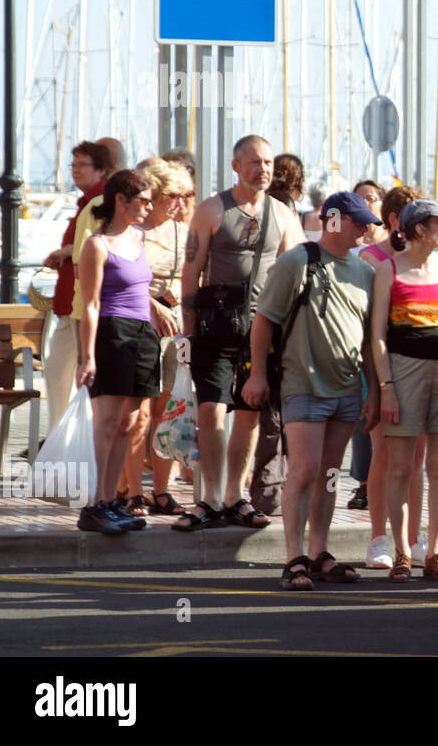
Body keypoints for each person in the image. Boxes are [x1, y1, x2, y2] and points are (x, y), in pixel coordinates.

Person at [243, 191, 381, 590]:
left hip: (347, 389)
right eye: (359, 221)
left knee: (331, 473)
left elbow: (370, 342)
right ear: (334, 221)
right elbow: (263, 320)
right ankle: (293, 557)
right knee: (303, 470)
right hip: (302, 384)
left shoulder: (365, 272)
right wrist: (257, 375)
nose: (366, 228)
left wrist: (373, 392)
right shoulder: (296, 261)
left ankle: (320, 552)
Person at [175, 134, 303, 531]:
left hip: (261, 329)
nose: (263, 169)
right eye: (254, 163)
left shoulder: (282, 214)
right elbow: (191, 273)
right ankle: (210, 497)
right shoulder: (212, 210)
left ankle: (236, 495)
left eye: (267, 163)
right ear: (236, 166)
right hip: (215, 327)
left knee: (248, 415)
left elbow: (296, 272)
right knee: (211, 410)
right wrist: (190, 333)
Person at [371, 198, 438, 583]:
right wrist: (386, 387)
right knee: (400, 466)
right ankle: (402, 553)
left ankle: (434, 552)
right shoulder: (389, 270)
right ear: (419, 229)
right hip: (404, 370)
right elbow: (378, 337)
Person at [72, 169, 160, 534]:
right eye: (143, 200)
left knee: (131, 424)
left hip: (143, 335)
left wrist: (159, 310)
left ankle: (112, 501)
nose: (149, 207)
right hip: (112, 332)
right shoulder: (97, 245)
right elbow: (89, 304)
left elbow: (142, 288)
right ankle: (96, 503)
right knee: (107, 423)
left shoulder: (138, 237)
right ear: (120, 200)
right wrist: (87, 355)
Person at [115, 159, 193, 517]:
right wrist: (155, 301)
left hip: (174, 327)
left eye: (185, 195)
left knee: (168, 410)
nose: (180, 203)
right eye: (173, 196)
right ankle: (130, 490)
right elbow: (120, 279)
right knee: (139, 413)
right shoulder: (132, 230)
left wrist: (179, 294)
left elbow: (191, 271)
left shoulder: (181, 229)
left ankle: (162, 491)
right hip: (138, 323)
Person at [356, 183, 425, 571]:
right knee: (382, 452)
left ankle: (413, 538)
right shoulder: (371, 258)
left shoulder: (429, 260)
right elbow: (370, 325)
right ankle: (378, 538)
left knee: (417, 456)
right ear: (396, 220)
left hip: (420, 368)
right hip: (382, 366)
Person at [43, 141, 112, 437]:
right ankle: (63, 436)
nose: (75, 171)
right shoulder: (87, 202)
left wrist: (65, 252)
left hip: (83, 303)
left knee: (73, 374)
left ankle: (70, 439)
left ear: (101, 169)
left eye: (82, 165)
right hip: (71, 302)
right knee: (59, 371)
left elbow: (96, 247)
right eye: (73, 165)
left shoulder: (99, 202)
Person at [352, 180, 388, 252]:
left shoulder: (395, 242)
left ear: (383, 204)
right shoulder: (345, 244)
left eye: (370, 199)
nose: (364, 203)